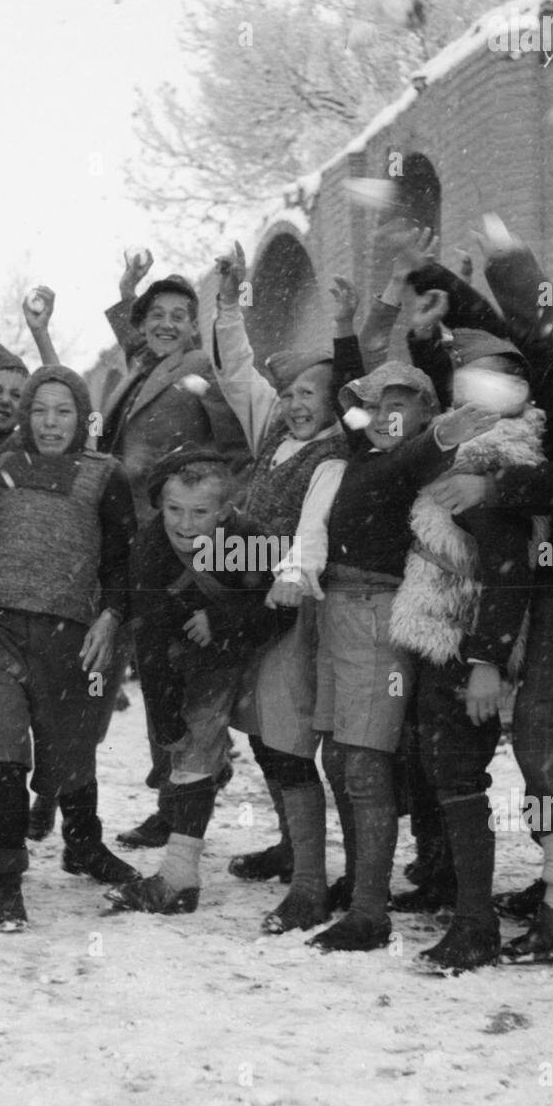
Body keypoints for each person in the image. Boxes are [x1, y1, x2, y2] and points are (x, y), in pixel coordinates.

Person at [419, 221, 553, 963]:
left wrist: (495, 481)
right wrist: (438, 279)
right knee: (546, 736)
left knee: (551, 733)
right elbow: (506, 329)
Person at [273, 362, 504, 951]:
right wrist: (353, 321)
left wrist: (443, 435)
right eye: (372, 406)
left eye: (398, 406)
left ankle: (370, 914)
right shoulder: (355, 460)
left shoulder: (420, 464)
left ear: (428, 414)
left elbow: (407, 461)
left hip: (378, 617)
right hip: (333, 615)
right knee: (337, 758)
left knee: (365, 764)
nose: (382, 418)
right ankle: (358, 889)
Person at [0, 364, 138, 931]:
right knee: (0, 750)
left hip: (71, 631)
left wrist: (111, 616)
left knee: (69, 750)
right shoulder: (1, 464)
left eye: (63, 411)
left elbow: (123, 559)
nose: (51, 422)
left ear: (83, 417)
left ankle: (83, 845)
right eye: (39, 410)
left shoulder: (107, 475)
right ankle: (4, 879)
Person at [206, 243, 351, 926]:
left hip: (290, 611)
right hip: (249, 606)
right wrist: (229, 299)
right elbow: (236, 366)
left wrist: (293, 576)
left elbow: (315, 526)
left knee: (290, 743)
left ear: (332, 406)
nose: (295, 405)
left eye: (309, 397)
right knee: (263, 732)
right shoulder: (273, 434)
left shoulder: (330, 457)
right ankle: (292, 849)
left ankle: (312, 885)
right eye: (289, 395)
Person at [388, 334, 542, 972]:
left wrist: (486, 662)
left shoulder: (495, 462)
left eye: (487, 383)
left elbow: (508, 572)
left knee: (456, 775)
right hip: (435, 631)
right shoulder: (463, 448)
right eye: (464, 382)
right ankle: (449, 885)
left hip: (463, 640)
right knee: (429, 763)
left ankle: (476, 923)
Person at [100, 254, 252, 850]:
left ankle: (184, 793)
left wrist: (208, 526)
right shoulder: (146, 367)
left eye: (179, 316)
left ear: (195, 326)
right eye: (155, 315)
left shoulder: (201, 370)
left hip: (181, 541)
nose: (166, 323)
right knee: (158, 674)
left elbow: (237, 453)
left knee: (180, 672)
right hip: (141, 539)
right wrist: (127, 290)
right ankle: (179, 785)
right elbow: (140, 348)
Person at [107, 449, 279, 915]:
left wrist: (224, 621)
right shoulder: (151, 544)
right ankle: (194, 800)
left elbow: (284, 603)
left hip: (248, 647)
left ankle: (181, 878)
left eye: (200, 512)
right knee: (180, 742)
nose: (184, 523)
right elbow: (149, 628)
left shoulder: (249, 539)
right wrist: (163, 713)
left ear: (223, 512)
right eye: (174, 509)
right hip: (181, 652)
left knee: (227, 743)